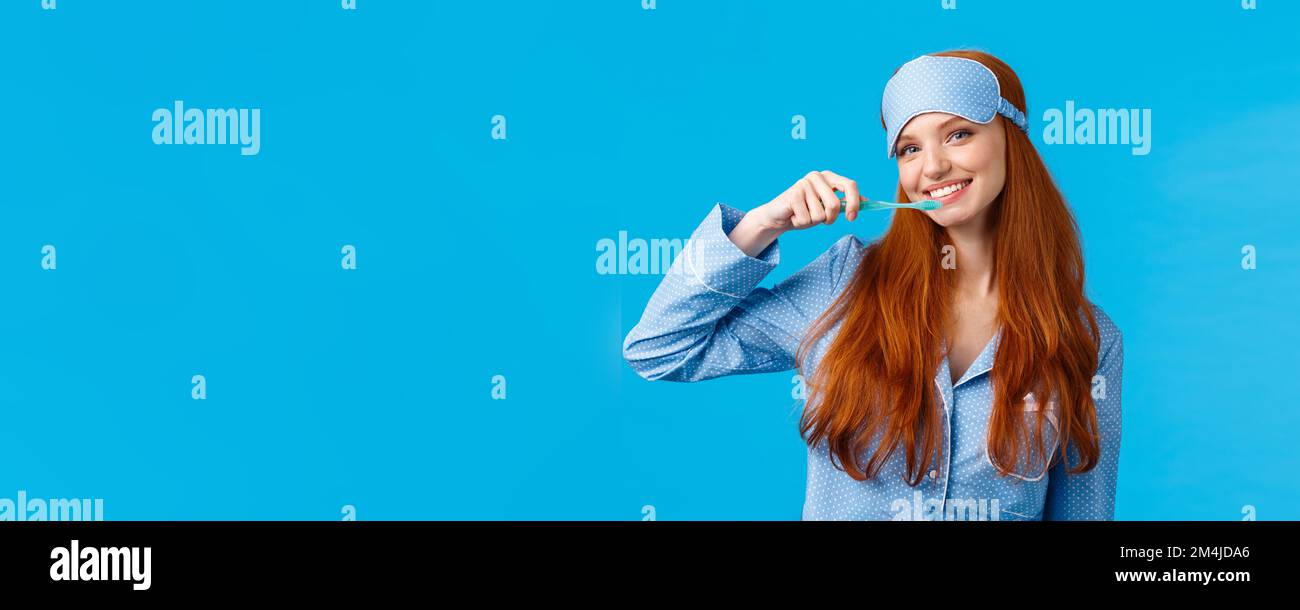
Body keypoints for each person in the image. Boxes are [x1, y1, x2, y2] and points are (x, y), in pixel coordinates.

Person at [622, 50, 1123, 521]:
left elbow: (1083, 512)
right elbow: (660, 350)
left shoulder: (1088, 338)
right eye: (910, 148)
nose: (932, 167)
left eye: (959, 135)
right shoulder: (846, 284)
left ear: (1012, 140)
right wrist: (759, 226)